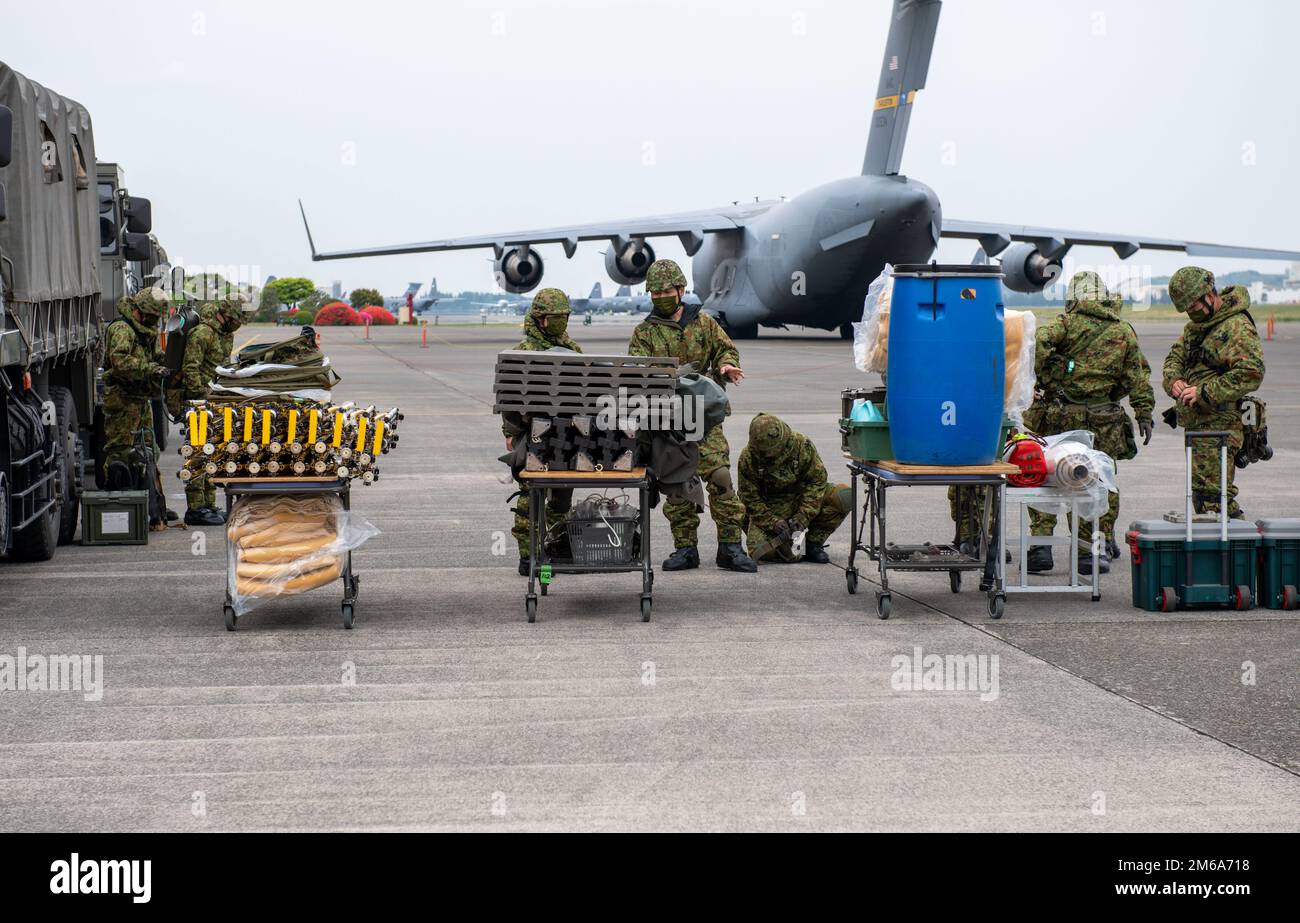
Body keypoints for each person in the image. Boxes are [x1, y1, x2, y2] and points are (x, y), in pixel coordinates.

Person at [628, 259, 757, 573]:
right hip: (668, 421)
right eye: (654, 293)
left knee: (722, 479)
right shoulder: (645, 332)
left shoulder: (704, 323)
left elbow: (725, 350)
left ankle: (730, 547)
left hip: (704, 417)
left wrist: (726, 366)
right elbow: (635, 373)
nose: (659, 297)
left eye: (665, 291)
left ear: (681, 290)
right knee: (678, 484)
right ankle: (685, 549)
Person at [1022, 270, 1155, 574]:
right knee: (1099, 481)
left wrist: (1044, 377)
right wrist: (1144, 412)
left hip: (1062, 416)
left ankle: (1041, 546)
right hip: (1104, 420)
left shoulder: (1064, 324)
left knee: (1048, 475)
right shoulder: (1122, 330)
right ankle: (1094, 550)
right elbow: (1137, 377)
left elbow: (1038, 344)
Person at [1163, 266, 1264, 519]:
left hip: (1220, 425)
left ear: (1209, 295)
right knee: (1206, 497)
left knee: (1214, 500)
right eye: (1187, 309)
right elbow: (1175, 357)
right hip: (1201, 426)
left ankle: (1232, 551)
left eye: (1194, 307)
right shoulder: (1197, 328)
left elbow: (1252, 372)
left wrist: (1204, 392)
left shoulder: (1235, 326)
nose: (1191, 313)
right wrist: (1174, 380)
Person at [502, 288, 583, 575]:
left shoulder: (572, 350)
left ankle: (555, 545)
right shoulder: (523, 353)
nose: (560, 322)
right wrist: (510, 432)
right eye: (554, 317)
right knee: (529, 496)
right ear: (540, 319)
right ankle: (528, 555)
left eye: (564, 317)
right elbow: (510, 402)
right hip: (533, 436)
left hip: (568, 436)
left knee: (562, 498)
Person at [738, 413, 852, 563]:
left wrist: (803, 516)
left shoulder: (802, 446)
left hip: (802, 499)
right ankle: (793, 545)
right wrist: (772, 522)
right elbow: (749, 497)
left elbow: (817, 483)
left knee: (843, 496)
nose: (766, 455)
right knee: (761, 551)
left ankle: (813, 544)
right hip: (771, 507)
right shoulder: (748, 457)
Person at [179, 299, 245, 526]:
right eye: (234, 321)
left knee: (210, 453)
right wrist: (199, 397)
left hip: (214, 401)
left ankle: (208, 504)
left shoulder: (223, 335)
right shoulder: (202, 334)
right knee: (197, 454)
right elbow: (190, 368)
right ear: (223, 316)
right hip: (199, 402)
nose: (236, 326)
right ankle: (195, 509)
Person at [102, 287, 170, 483]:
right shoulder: (122, 329)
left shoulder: (147, 330)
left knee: (149, 451)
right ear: (140, 310)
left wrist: (168, 364)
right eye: (152, 316)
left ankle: (153, 505)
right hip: (121, 400)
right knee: (120, 454)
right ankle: (119, 501)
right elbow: (119, 362)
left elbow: (156, 356)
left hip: (141, 400)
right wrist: (150, 369)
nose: (155, 321)